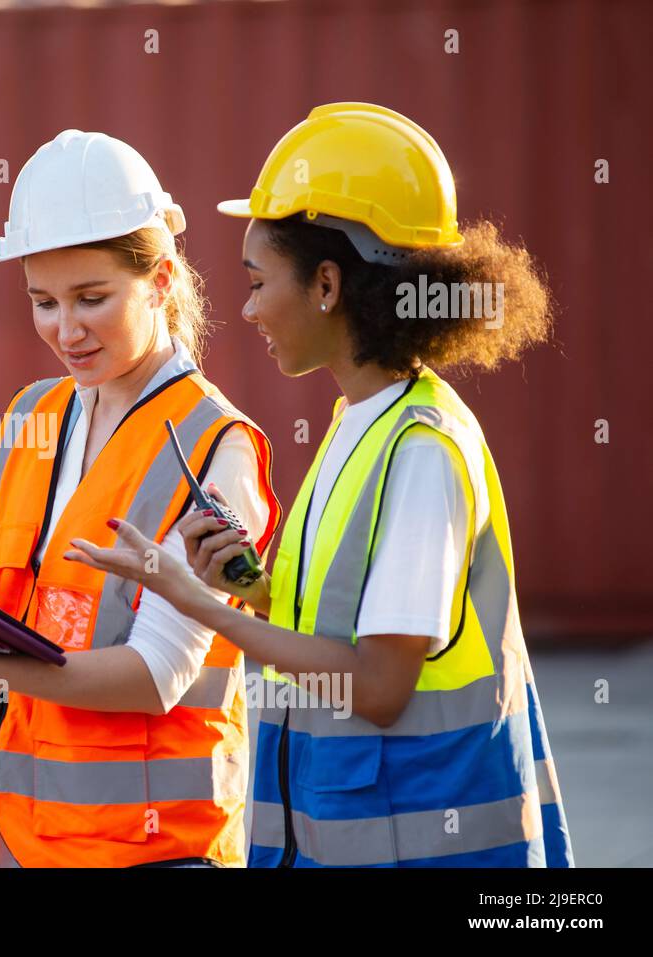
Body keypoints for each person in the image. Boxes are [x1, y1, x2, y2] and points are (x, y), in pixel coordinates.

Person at [66, 103, 574, 867]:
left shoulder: (421, 450)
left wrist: (200, 606)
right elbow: (336, 624)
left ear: (327, 284)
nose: (246, 308)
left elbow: (376, 686)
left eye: (258, 281)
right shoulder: (359, 421)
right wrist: (245, 583)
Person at [0, 130, 281, 867]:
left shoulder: (216, 447)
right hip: (19, 838)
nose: (65, 329)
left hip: (153, 851)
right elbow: (24, 609)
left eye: (92, 298)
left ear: (163, 280)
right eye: (43, 301)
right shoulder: (31, 416)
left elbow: (158, 676)